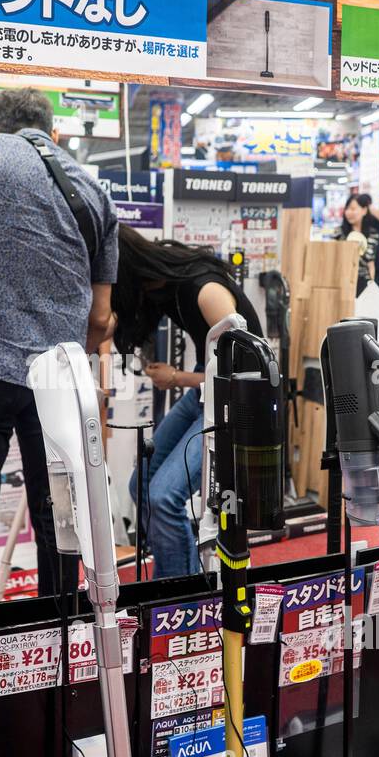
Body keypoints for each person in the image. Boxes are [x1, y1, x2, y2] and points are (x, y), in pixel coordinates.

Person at [0, 87, 119, 605]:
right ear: (53, 130)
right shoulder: (93, 188)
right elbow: (101, 318)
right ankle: (54, 639)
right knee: (58, 513)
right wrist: (63, 357)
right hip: (59, 380)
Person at [111, 225, 264, 579]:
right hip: (207, 384)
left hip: (237, 394)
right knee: (142, 486)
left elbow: (245, 367)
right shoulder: (158, 286)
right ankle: (177, 574)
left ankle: (179, 596)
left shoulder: (204, 290)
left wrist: (177, 378)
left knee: (164, 497)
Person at [336, 193, 379, 295]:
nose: (349, 212)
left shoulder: (373, 233)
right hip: (341, 282)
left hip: (363, 284)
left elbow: (370, 264)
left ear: (364, 210)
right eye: (347, 209)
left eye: (353, 209)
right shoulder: (339, 233)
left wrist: (372, 288)